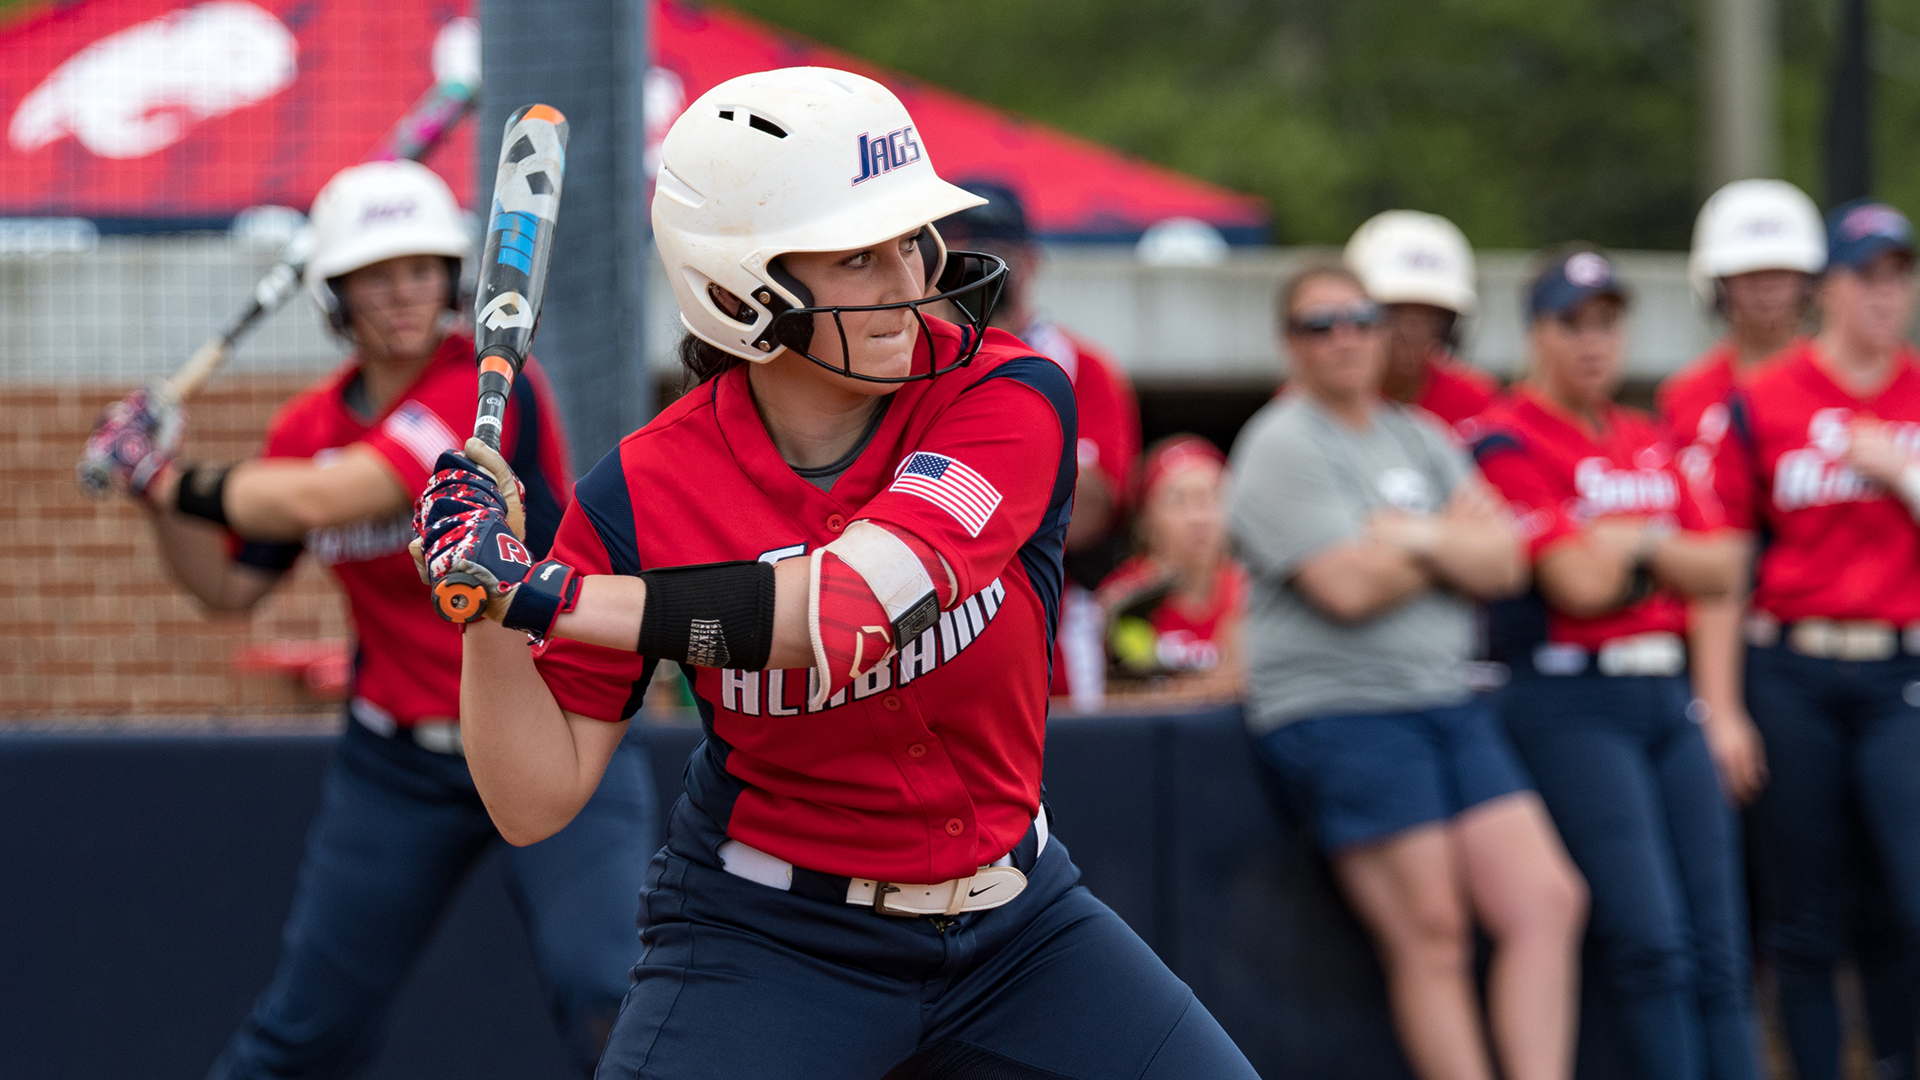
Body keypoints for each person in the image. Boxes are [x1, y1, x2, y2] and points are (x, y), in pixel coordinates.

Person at [410, 68, 1259, 1079]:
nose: (910, 280)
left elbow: (854, 610)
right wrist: (482, 605)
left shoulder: (1005, 393)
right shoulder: (641, 490)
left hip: (1023, 928)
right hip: (766, 944)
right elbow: (534, 797)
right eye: (860, 257)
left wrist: (542, 594)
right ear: (739, 296)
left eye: (911, 239)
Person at [81, 160, 655, 1079]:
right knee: (305, 1033)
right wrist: (162, 499)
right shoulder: (306, 425)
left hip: (556, 731)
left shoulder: (490, 384)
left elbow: (336, 493)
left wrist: (162, 477)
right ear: (335, 294)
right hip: (398, 765)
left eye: (423, 268)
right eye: (377, 275)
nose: (404, 294)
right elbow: (226, 590)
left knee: (611, 995)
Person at [1231, 263, 1586, 1080]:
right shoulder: (1279, 442)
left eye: (1360, 317)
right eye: (1321, 324)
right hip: (1342, 709)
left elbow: (1502, 562)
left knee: (1547, 900)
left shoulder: (1419, 435)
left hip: (1447, 699)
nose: (1346, 336)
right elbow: (1346, 588)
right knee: (1434, 931)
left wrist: (1409, 537)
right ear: (1291, 344)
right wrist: (1445, 540)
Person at [1471, 246, 1758, 1080]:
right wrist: (1662, 555)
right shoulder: (1505, 436)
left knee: (1720, 947)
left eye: (1607, 323)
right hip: (1571, 698)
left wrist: (1634, 543)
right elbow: (1574, 584)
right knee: (1653, 943)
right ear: (1536, 332)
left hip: (1665, 692)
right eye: (1573, 323)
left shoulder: (1644, 434)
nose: (1594, 342)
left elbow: (1727, 568)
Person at [1710, 199, 1920, 1080]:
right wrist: (1721, 708)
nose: (1886, 294)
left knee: (1907, 899)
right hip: (1789, 666)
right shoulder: (1767, 399)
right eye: (1866, 274)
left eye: (1899, 273)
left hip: (1898, 668)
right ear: (1827, 287)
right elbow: (1721, 571)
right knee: (1803, 911)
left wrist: (1901, 473)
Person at [934, 181, 1143, 709]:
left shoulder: (1082, 367)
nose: (977, 267)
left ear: (1028, 259)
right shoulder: (912, 365)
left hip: (1055, 642)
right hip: (932, 633)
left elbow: (1089, 515)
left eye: (993, 251)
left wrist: (961, 486)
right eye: (958, 254)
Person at [1098, 434, 1246, 699]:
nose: (1199, 517)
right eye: (1178, 501)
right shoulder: (1123, 599)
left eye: (1213, 497)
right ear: (1146, 522)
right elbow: (1125, 691)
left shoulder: (1252, 594)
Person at [1345, 209, 1500, 434]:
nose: (1410, 333)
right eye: (1393, 314)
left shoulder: (1476, 401)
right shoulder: (1319, 398)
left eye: (1430, 317)